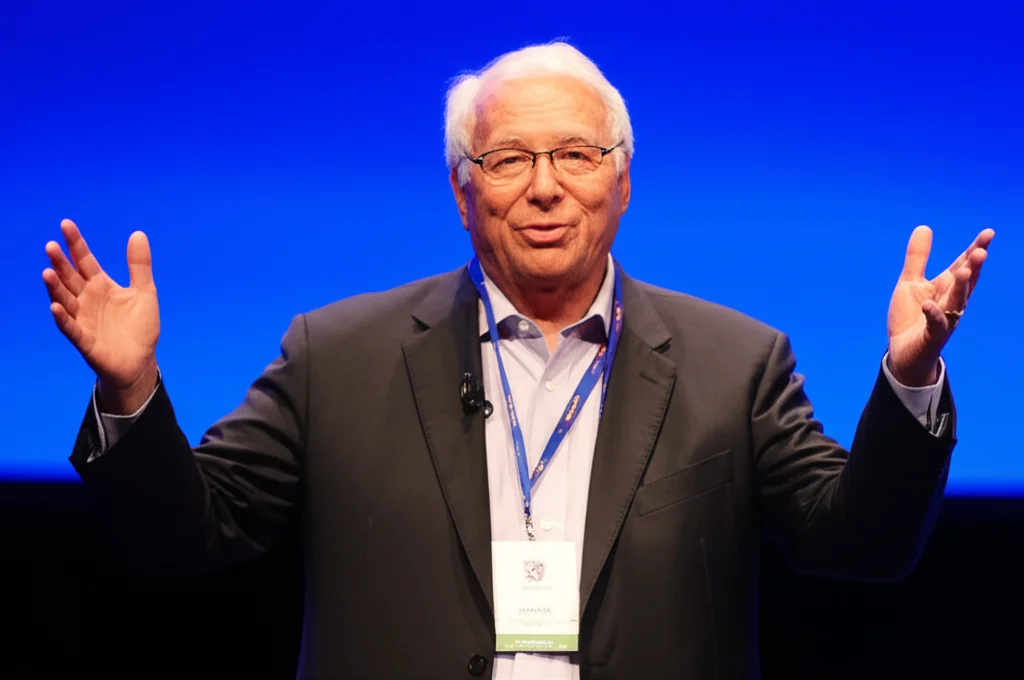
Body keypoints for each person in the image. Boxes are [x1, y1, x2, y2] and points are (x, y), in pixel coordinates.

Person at [42, 42, 994, 680]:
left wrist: (909, 379)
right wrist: (130, 390)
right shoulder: (334, 356)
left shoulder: (735, 362)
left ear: (622, 183)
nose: (545, 188)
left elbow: (861, 545)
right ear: (464, 192)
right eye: (507, 161)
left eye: (576, 155)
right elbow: (187, 537)